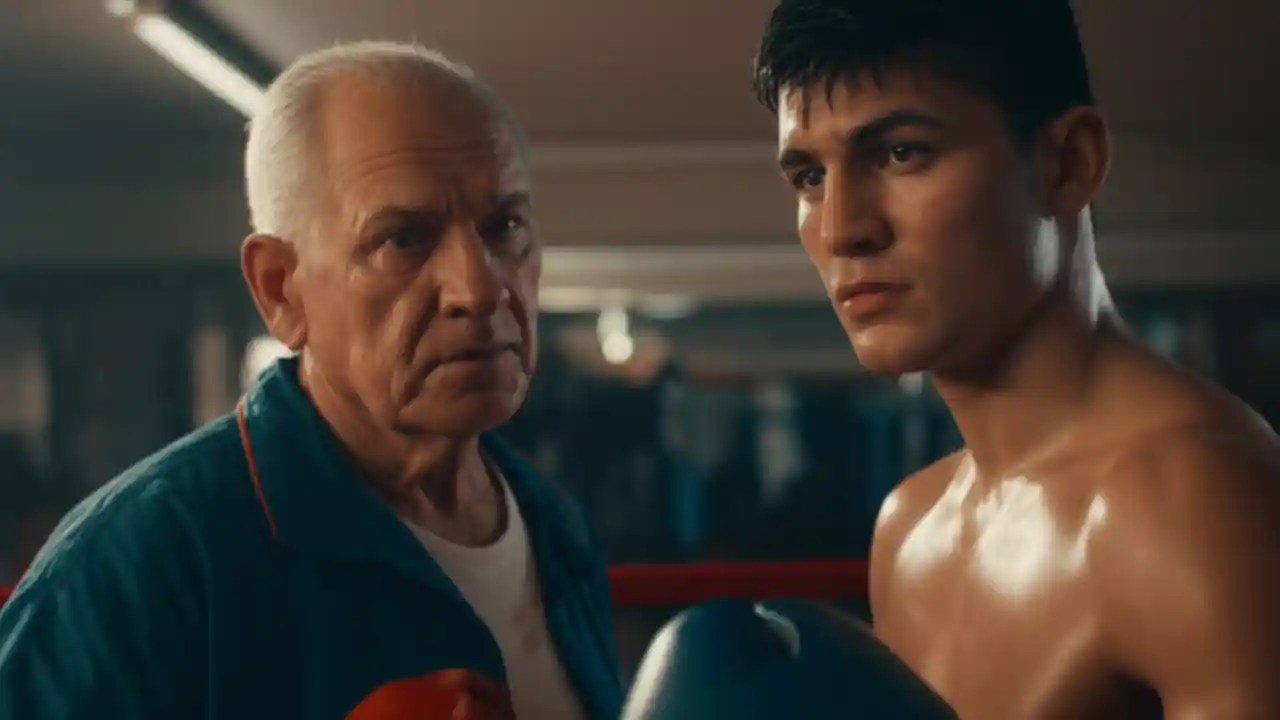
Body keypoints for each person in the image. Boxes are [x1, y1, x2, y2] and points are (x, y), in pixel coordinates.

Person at [0, 42, 623, 720]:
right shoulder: (141, 563)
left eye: (504, 226)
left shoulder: (553, 526)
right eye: (402, 239)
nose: (478, 289)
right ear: (281, 291)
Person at [750, 0, 1280, 717]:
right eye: (810, 176)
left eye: (902, 152)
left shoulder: (1190, 497)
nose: (844, 229)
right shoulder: (910, 527)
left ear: (1069, 163)